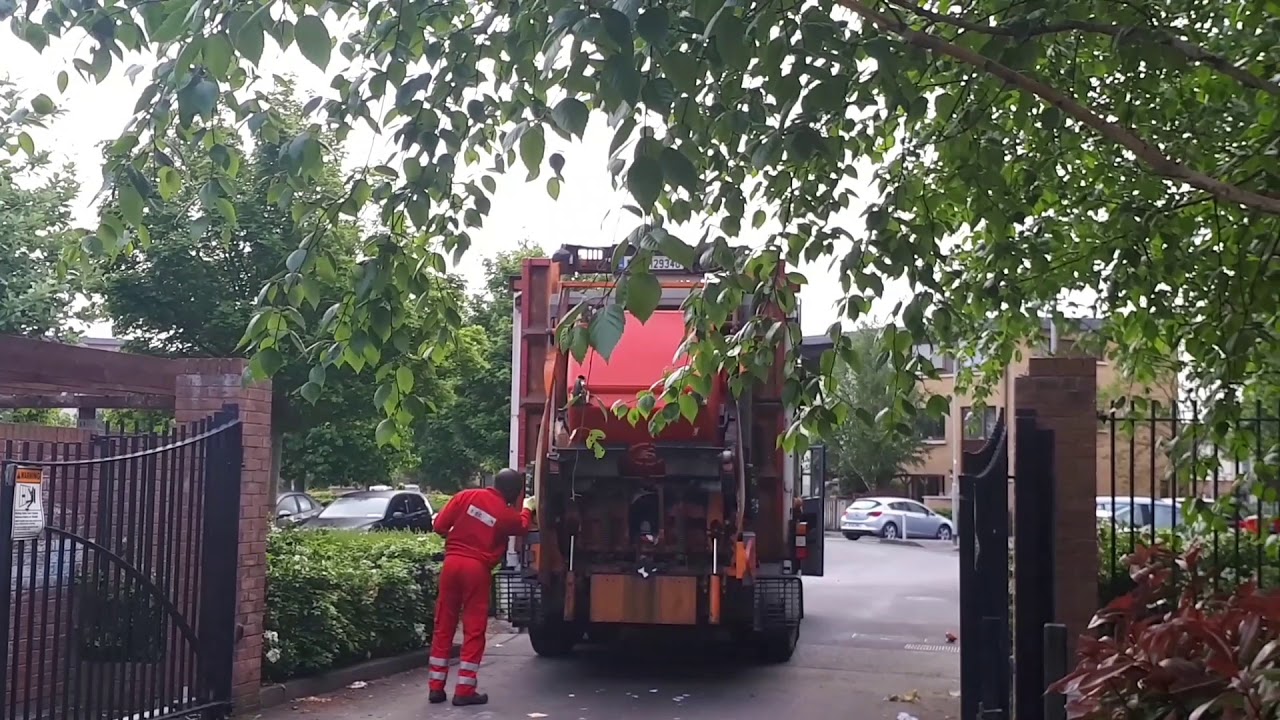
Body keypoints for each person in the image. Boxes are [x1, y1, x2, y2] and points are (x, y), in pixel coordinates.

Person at [427, 469, 536, 706]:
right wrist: (528, 507)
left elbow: (440, 526)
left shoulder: (465, 496)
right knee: (474, 629)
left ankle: (436, 687)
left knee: (443, 625)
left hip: (452, 563)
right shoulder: (506, 514)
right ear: (515, 493)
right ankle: (464, 690)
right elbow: (523, 526)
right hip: (476, 569)